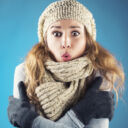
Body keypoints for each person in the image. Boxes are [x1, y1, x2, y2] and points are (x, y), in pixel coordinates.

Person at [7, 0, 125, 128]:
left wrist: (31, 121)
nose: (65, 43)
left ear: (87, 39)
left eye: (75, 33)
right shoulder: (25, 71)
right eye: (57, 34)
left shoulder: (100, 74)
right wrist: (80, 115)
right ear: (45, 40)